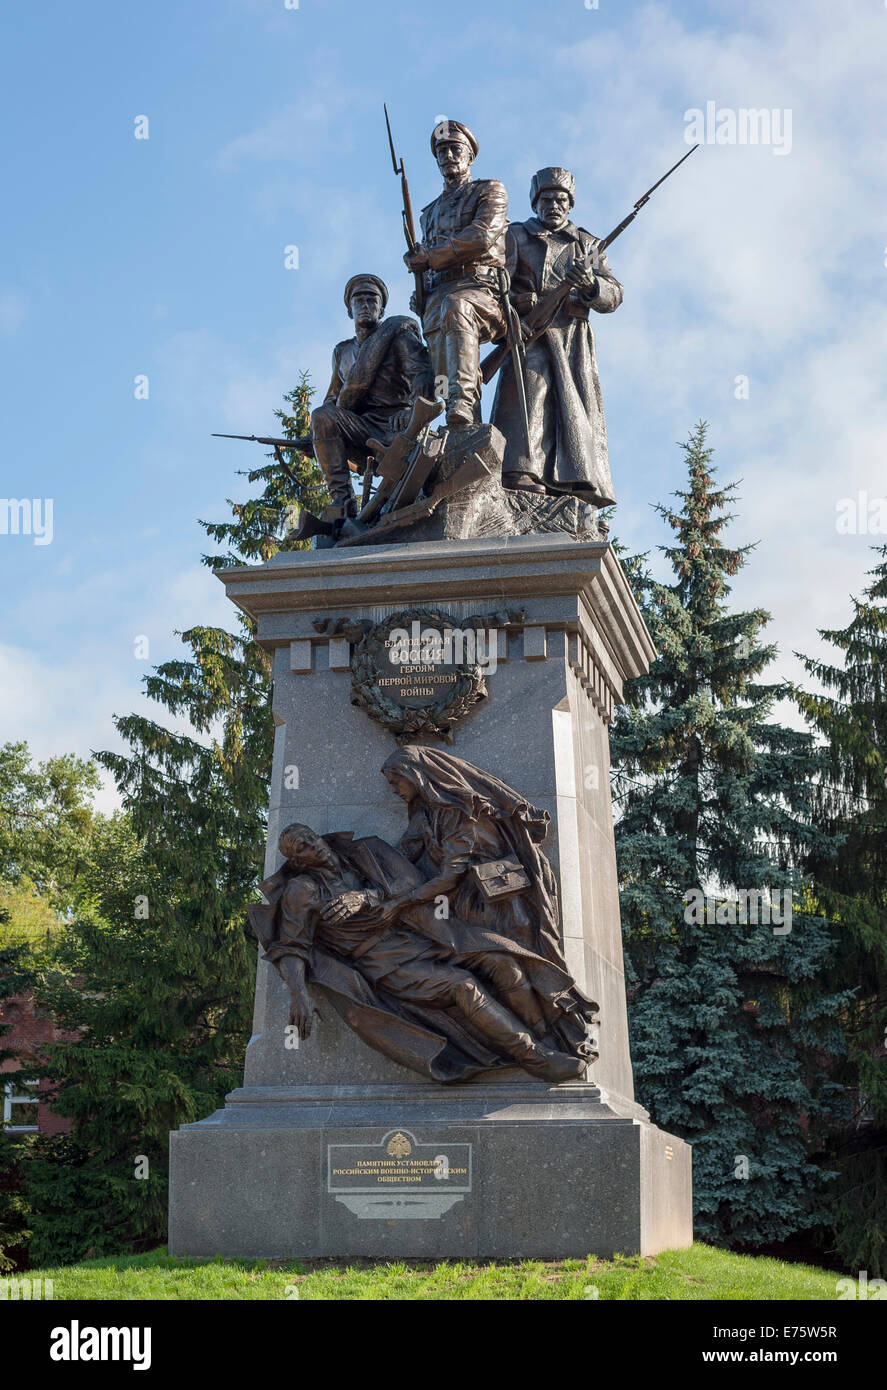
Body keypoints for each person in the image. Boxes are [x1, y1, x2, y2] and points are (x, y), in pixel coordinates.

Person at [249, 822, 588, 1085]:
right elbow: (291, 946)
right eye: (303, 848)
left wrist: (365, 897)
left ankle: (547, 1036)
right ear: (297, 861)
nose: (313, 845)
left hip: (423, 935)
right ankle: (532, 1055)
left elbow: (410, 883)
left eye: (310, 837)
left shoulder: (365, 852)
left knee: (502, 962)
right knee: (463, 986)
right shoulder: (303, 890)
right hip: (384, 962)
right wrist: (298, 993)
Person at [380, 745, 599, 1063]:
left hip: (497, 907)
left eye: (396, 782)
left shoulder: (461, 811)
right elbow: (405, 853)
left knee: (516, 970)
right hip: (464, 908)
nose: (395, 790)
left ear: (416, 776)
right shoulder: (426, 814)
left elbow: (449, 876)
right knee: (500, 970)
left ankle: (552, 1036)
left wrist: (402, 902)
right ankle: (531, 1039)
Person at [490, 167, 622, 502]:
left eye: (561, 199)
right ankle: (519, 469)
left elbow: (614, 294)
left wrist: (590, 284)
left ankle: (576, 481)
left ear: (570, 204)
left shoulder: (587, 244)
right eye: (546, 199)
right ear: (535, 202)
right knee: (528, 394)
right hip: (530, 331)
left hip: (571, 340)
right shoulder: (517, 235)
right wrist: (524, 302)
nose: (554, 205)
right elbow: (496, 285)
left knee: (572, 409)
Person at [404, 120, 508, 431]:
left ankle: (462, 401)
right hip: (440, 298)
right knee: (437, 331)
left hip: (482, 293)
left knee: (456, 308)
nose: (448, 155)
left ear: (469, 156)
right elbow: (427, 260)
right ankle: (455, 420)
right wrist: (421, 277)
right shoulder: (428, 213)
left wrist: (431, 257)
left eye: (455, 149)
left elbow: (481, 236)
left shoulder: (490, 191)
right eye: (442, 152)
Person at [305, 274, 434, 519]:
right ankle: (342, 502)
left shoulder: (400, 337)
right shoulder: (342, 352)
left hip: (396, 427)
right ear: (349, 311)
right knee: (321, 417)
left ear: (382, 309)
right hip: (361, 429)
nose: (365, 305)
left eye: (372, 300)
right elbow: (332, 401)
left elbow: (422, 377)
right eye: (359, 300)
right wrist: (313, 436)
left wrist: (412, 411)